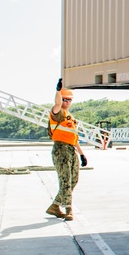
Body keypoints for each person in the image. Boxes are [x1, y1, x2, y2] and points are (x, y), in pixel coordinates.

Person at [45, 79, 86, 221]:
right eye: (65, 99)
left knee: (74, 179)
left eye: (69, 100)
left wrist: (82, 154)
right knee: (65, 181)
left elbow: (74, 138)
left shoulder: (71, 117)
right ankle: (69, 210)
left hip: (71, 150)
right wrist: (58, 90)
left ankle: (55, 206)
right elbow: (57, 103)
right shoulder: (57, 113)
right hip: (60, 149)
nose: (67, 102)